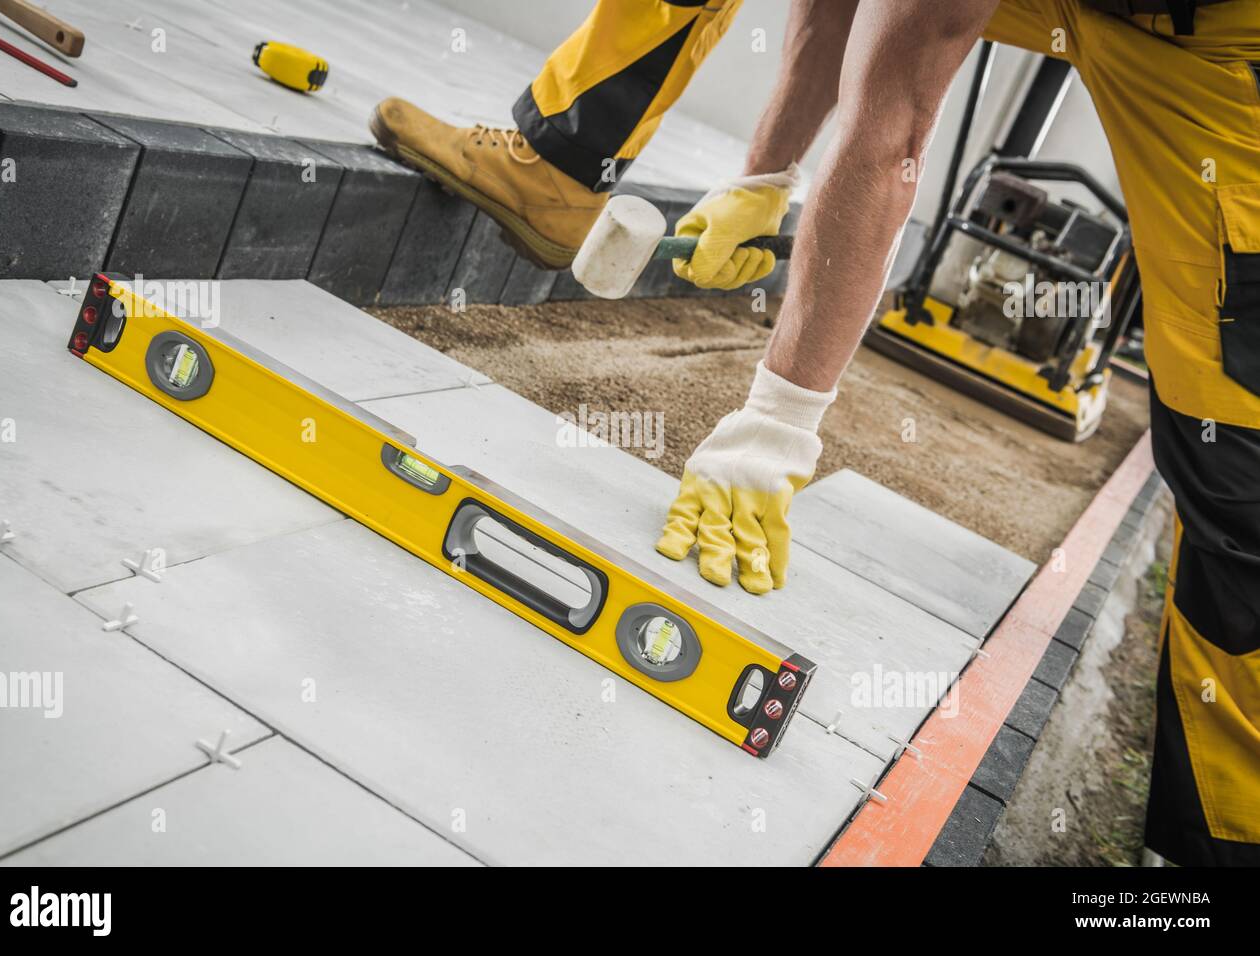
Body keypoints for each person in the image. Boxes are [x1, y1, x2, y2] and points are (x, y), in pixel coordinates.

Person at [373, 0, 1259, 866]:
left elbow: (891, 135)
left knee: (1239, 479)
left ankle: (1224, 847)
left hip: (1215, 44)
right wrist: (764, 178)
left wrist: (781, 418)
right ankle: (558, 163)